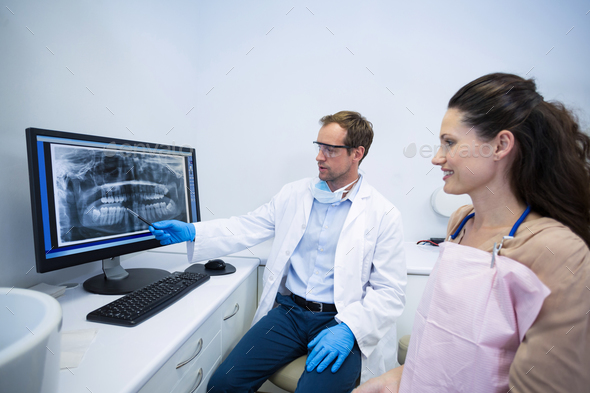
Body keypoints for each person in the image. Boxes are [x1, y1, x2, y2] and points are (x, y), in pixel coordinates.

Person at [354, 73, 590, 393]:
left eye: (450, 142)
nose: (437, 157)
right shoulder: (462, 222)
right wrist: (398, 378)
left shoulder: (555, 250)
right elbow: (445, 349)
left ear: (500, 145)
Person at [150, 111, 407, 393]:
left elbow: (389, 292)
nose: (319, 157)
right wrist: (194, 231)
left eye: (330, 149)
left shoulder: (383, 214)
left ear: (357, 153)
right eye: (318, 146)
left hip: (341, 321)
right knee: (224, 383)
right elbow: (247, 226)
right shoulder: (294, 195)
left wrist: (349, 329)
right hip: (289, 314)